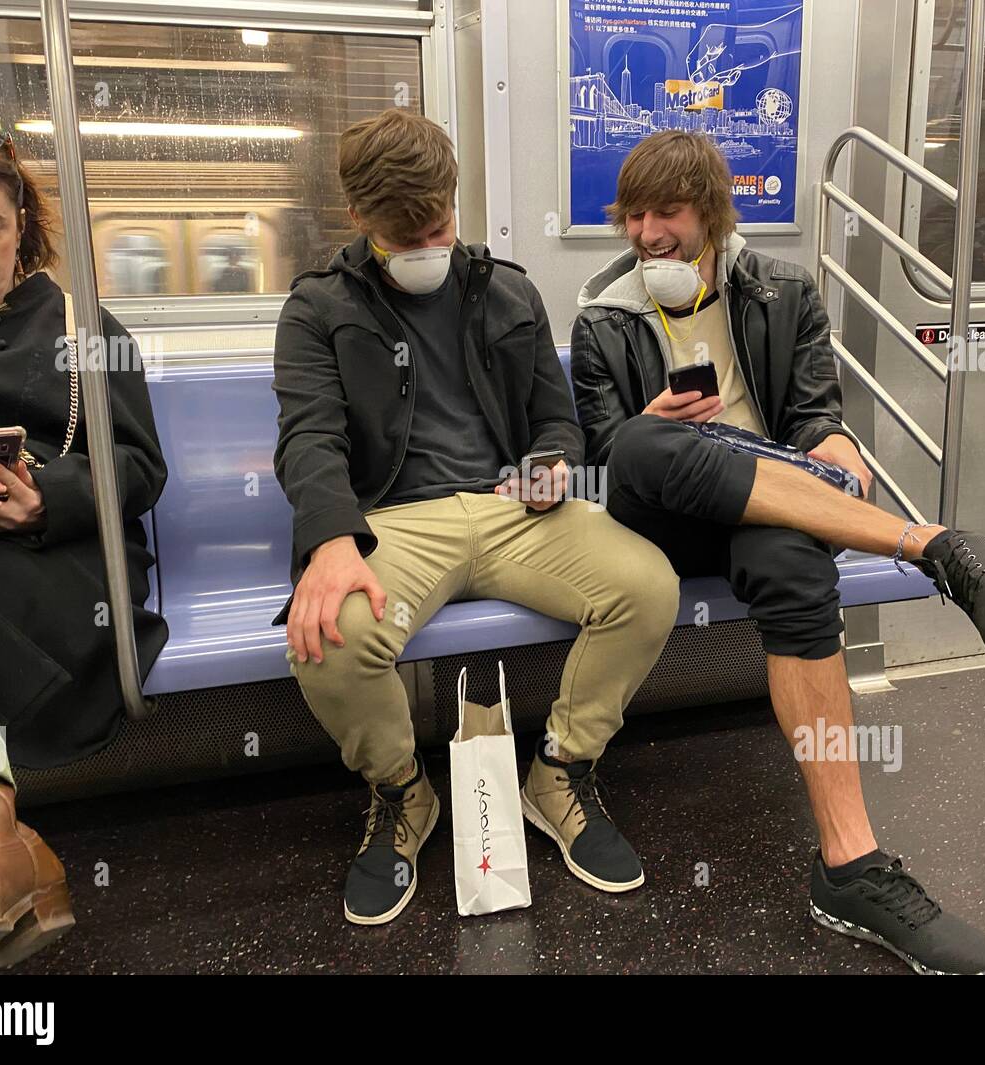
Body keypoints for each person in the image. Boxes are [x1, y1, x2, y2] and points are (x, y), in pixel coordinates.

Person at [572, 130, 985, 975]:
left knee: (795, 568)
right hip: (662, 518)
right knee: (645, 445)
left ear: (710, 213)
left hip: (768, 507)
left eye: (667, 212)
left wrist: (833, 444)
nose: (647, 233)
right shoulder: (602, 316)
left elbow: (815, 414)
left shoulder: (784, 292)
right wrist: (653, 425)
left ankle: (850, 865)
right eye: (634, 215)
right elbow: (602, 463)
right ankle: (935, 545)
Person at [272, 110, 680, 925]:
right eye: (405, 233)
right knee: (331, 639)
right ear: (359, 220)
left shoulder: (508, 290)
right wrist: (328, 540)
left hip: (508, 506)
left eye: (441, 224)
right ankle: (402, 793)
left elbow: (556, 420)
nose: (429, 243)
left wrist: (551, 462)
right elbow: (308, 437)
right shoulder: (318, 309)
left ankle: (560, 768)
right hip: (394, 518)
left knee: (648, 585)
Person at [0, 127, 168, 967]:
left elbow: (138, 469)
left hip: (51, 576)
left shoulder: (83, 324)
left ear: (21, 229)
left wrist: (39, 498)